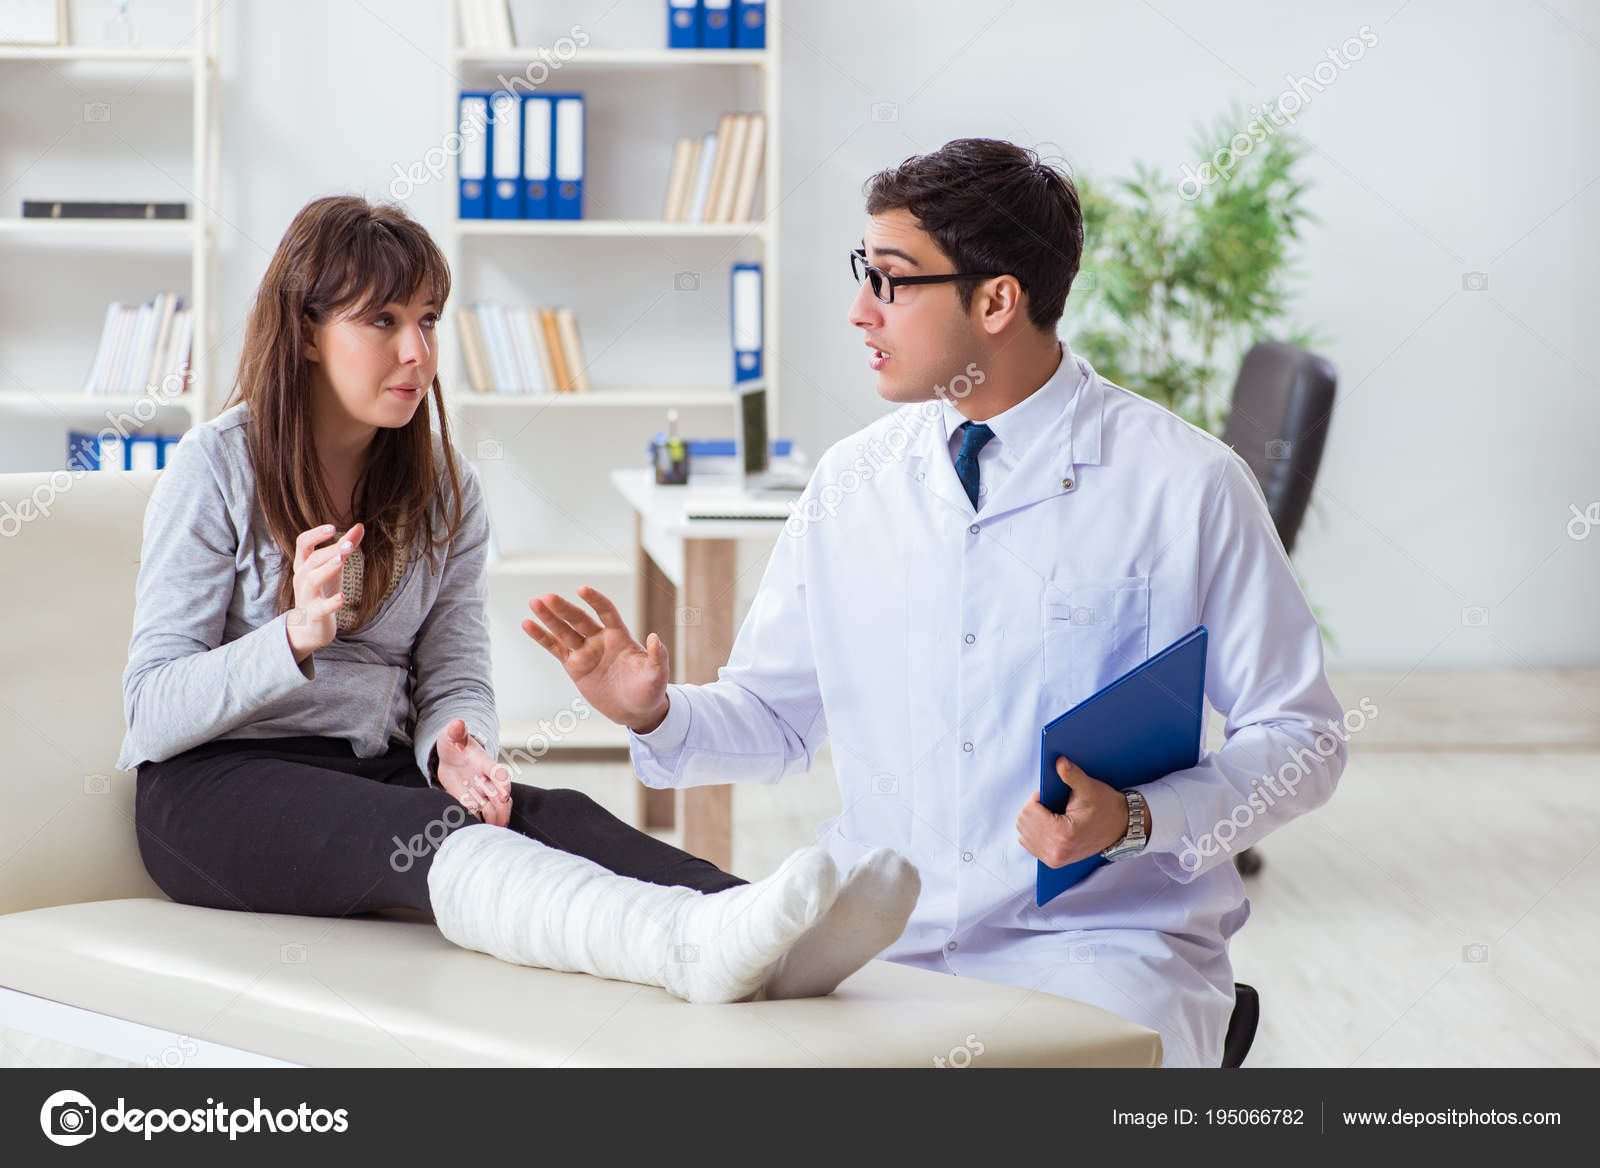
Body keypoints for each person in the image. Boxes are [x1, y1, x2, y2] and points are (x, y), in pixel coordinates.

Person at [522, 139, 1348, 1062]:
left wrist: (1139, 820)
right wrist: (659, 712)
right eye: (861, 274)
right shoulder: (851, 485)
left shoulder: (1187, 486)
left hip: (1101, 946)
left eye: (892, 282)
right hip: (882, 942)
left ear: (996, 300)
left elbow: (1303, 740)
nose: (858, 311)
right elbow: (775, 716)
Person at [118, 194, 919, 1007]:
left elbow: (455, 677)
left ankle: (758, 918)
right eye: (383, 322)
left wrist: (453, 751)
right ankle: (681, 947)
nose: (416, 352)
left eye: (428, 321)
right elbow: (149, 711)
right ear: (305, 333)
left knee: (555, 813)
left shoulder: (444, 489)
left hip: (374, 773)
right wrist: (290, 636)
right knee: (427, 836)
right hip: (214, 788)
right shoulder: (214, 467)